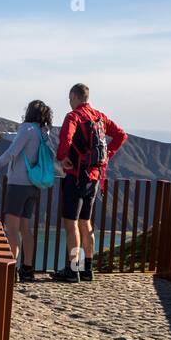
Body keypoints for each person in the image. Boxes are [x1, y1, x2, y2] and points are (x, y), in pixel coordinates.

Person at [52, 83, 127, 282]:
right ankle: (87, 270)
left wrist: (61, 157)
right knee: (86, 222)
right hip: (95, 178)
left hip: (76, 176)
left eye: (70, 98)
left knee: (71, 223)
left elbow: (66, 139)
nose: (69, 102)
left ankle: (72, 270)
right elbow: (121, 135)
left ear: (74, 96)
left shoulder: (74, 116)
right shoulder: (100, 116)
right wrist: (108, 154)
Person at [0, 99, 54, 282]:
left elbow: (13, 151)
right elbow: (20, 136)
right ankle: (27, 269)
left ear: (29, 112)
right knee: (25, 229)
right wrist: (3, 134)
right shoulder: (42, 131)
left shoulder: (27, 129)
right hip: (33, 186)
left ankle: (10, 270)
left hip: (18, 184)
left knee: (11, 229)